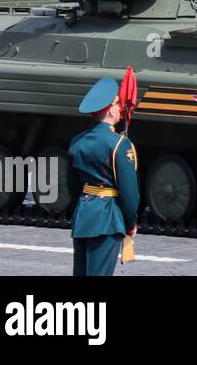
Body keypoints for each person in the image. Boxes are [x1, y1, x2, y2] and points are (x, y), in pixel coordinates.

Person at [68, 77, 139, 277]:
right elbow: (129, 194)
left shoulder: (77, 141)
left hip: (83, 217)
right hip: (107, 219)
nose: (120, 110)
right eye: (117, 105)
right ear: (110, 110)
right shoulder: (120, 144)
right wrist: (130, 225)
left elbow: (72, 187)